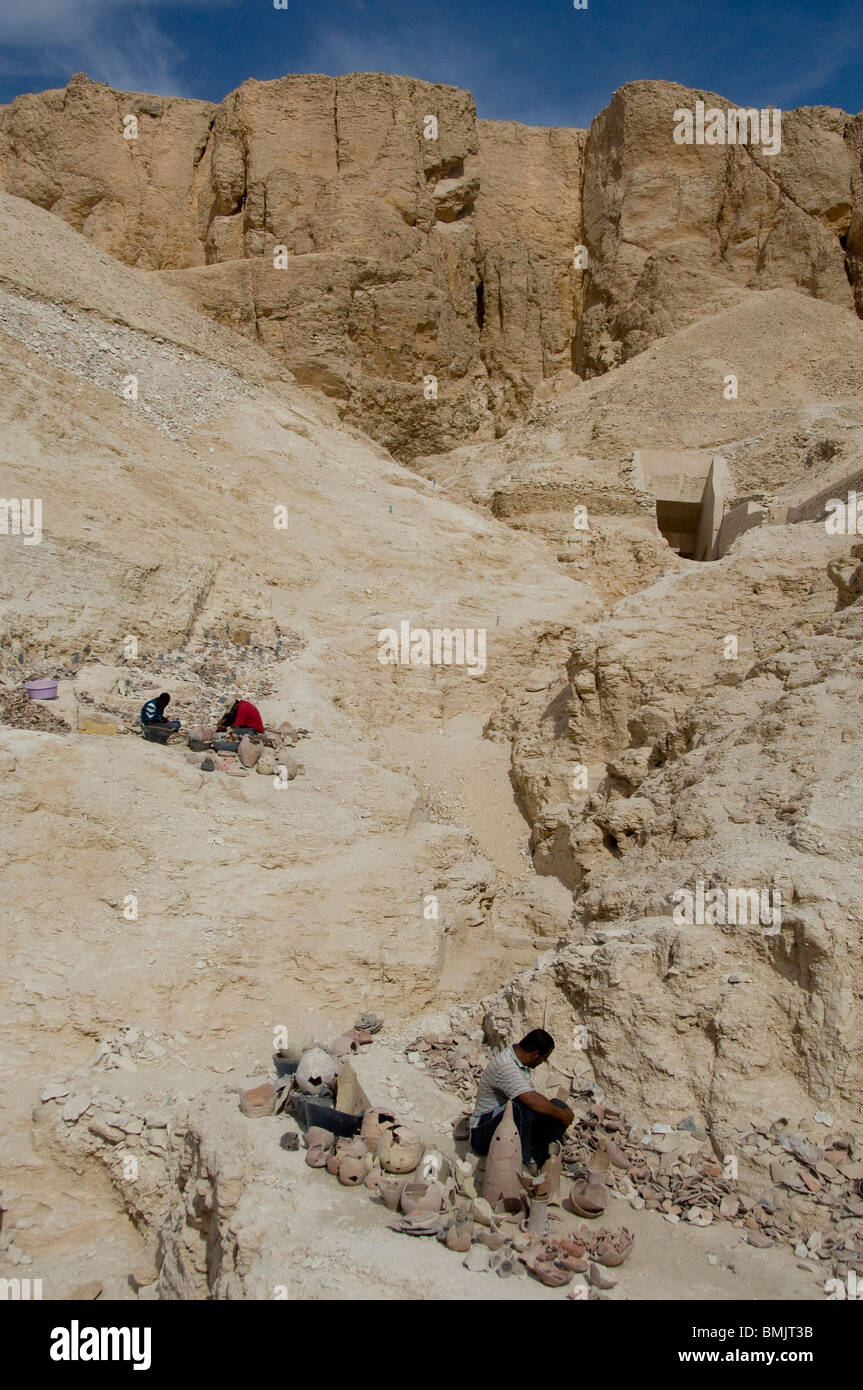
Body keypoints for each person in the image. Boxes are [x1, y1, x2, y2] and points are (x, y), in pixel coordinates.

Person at [469, 1028, 574, 1167]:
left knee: (557, 1106)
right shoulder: (505, 1064)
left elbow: (534, 1097)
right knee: (523, 1106)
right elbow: (530, 1099)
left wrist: (562, 1113)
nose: (542, 1063)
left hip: (505, 1127)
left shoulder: (520, 1062)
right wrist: (562, 1115)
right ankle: (522, 1162)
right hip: (482, 1134)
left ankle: (537, 1154)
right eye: (544, 1059)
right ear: (536, 1055)